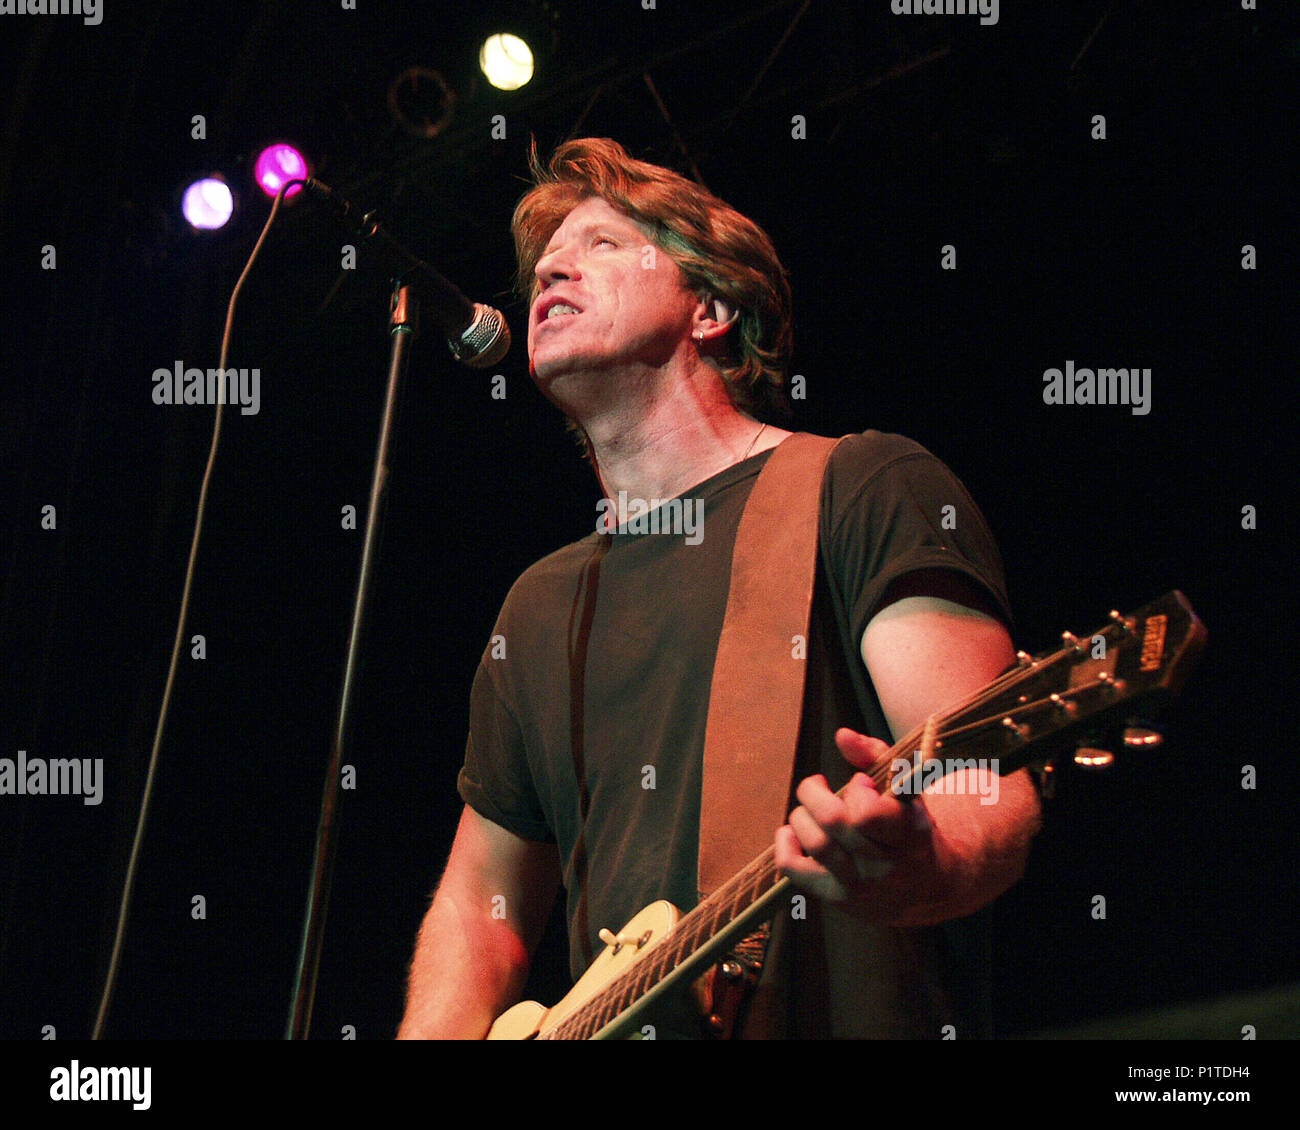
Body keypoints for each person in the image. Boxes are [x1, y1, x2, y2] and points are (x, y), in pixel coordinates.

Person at [396, 138, 1041, 1040]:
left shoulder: (858, 486)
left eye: (604, 245)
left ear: (710, 306)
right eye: (546, 259)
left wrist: (920, 863)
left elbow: (984, 768)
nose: (550, 268)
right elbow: (479, 909)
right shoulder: (536, 606)